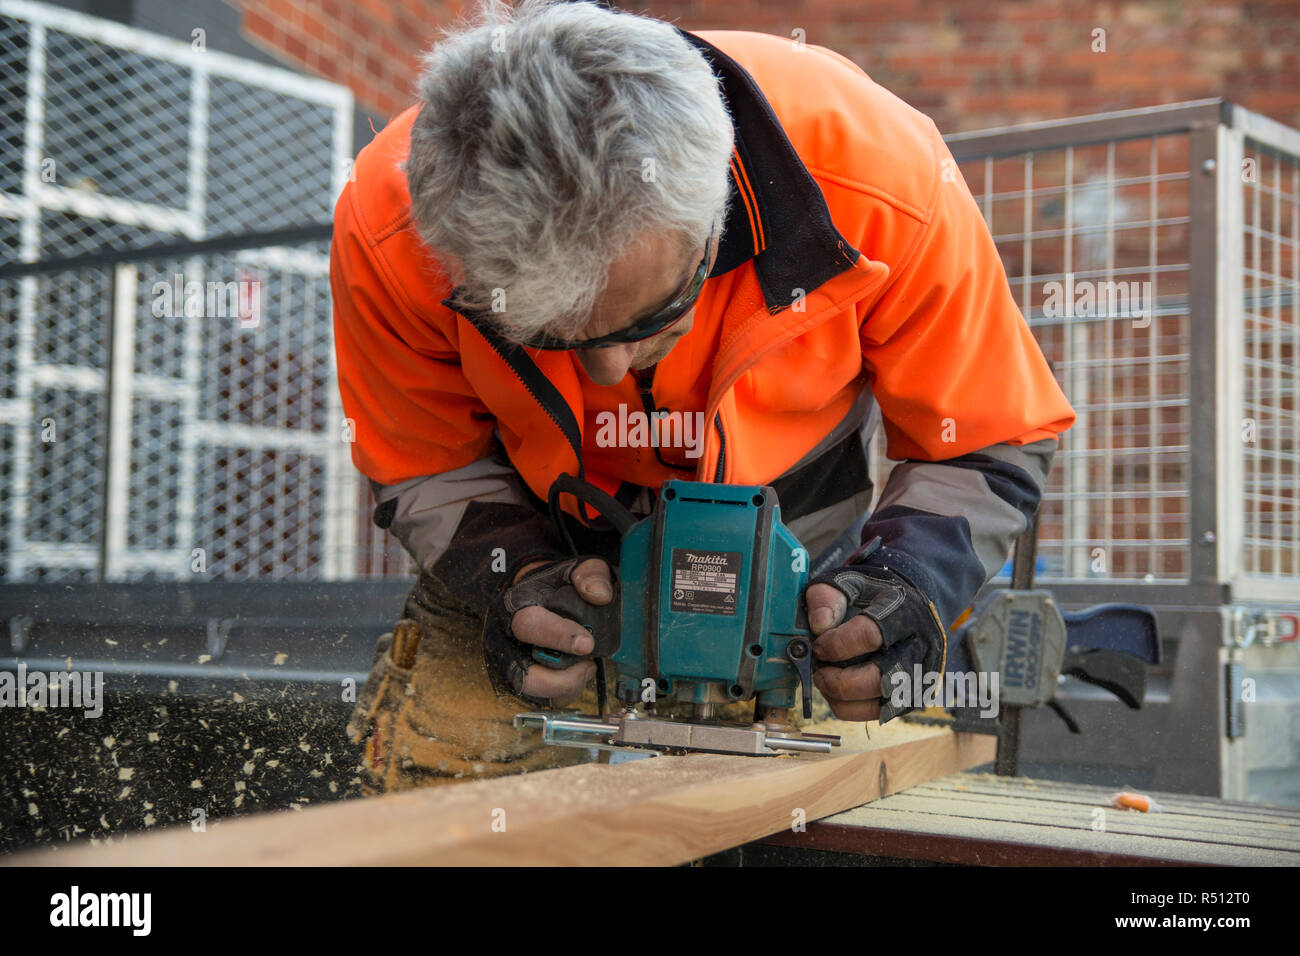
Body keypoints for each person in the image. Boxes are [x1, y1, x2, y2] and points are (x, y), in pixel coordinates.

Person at [330, 0, 1075, 793]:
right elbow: (423, 464)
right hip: (539, 544)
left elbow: (985, 436)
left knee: (853, 805)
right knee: (450, 813)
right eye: (554, 338)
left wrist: (907, 583)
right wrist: (509, 579)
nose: (610, 372)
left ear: (715, 209)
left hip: (803, 564)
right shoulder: (390, 226)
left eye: (652, 317)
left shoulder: (879, 174)